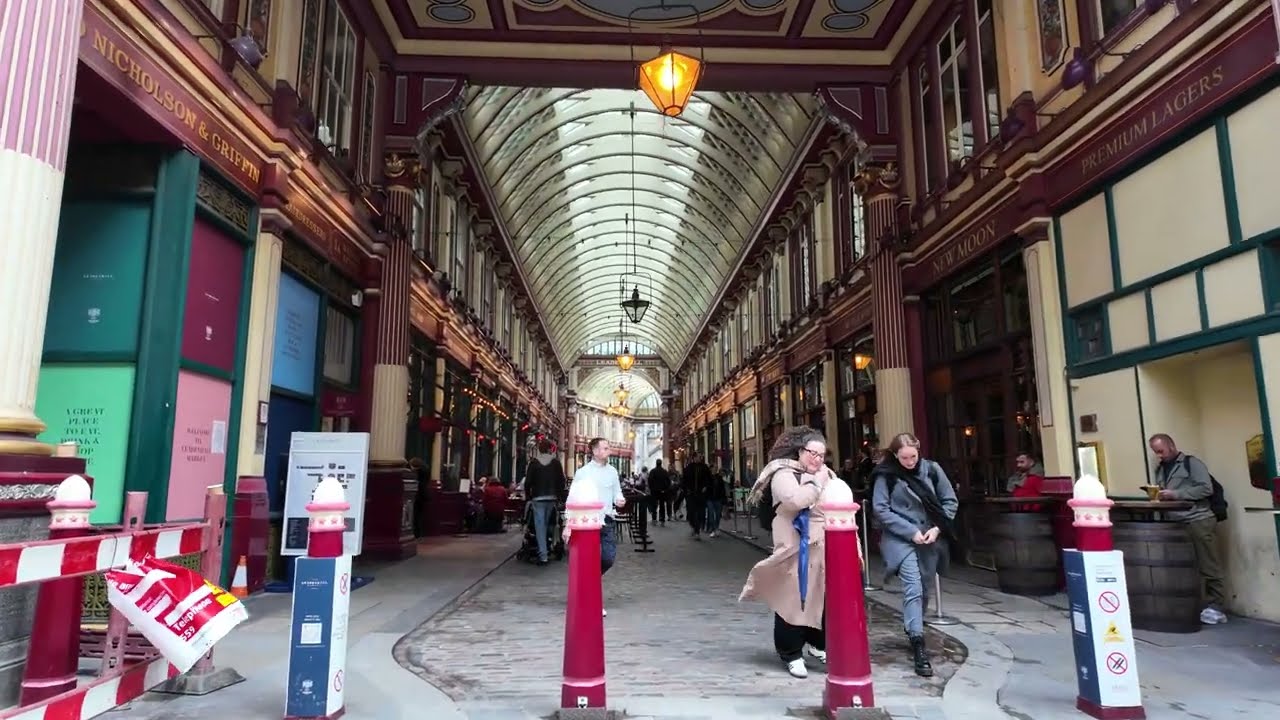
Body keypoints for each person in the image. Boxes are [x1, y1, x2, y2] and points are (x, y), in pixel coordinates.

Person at [740, 426, 850, 679]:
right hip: (794, 546)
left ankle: (818, 643)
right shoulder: (783, 473)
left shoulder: (827, 473)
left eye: (822, 455)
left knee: (820, 598)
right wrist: (816, 483)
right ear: (800, 451)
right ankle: (790, 652)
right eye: (812, 453)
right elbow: (794, 501)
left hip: (823, 546)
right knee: (792, 598)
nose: (817, 459)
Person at [871, 432, 958, 678]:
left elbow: (949, 501)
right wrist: (910, 531)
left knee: (924, 588)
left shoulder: (932, 470)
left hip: (929, 537)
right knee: (913, 586)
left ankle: (914, 625)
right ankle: (918, 643)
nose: (909, 462)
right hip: (900, 538)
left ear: (919, 451)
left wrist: (937, 528)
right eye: (904, 458)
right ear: (895, 455)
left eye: (913, 457)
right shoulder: (886, 475)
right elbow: (880, 508)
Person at [1149, 433, 1226, 625]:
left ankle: (1216, 606)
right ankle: (1194, 603)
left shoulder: (1192, 464)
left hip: (1198, 518)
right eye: (1155, 452)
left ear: (1171, 446)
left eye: (1161, 451)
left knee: (1208, 563)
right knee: (1184, 565)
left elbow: (1206, 488)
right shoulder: (1160, 469)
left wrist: (1175, 494)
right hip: (1176, 521)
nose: (1158, 455)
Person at [564, 437, 626, 616]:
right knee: (588, 560)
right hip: (587, 522)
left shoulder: (612, 471)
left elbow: (617, 492)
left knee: (608, 558)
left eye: (608, 447)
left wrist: (619, 500)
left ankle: (588, 582)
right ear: (595, 451)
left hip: (606, 519)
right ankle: (592, 598)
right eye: (605, 448)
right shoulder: (583, 473)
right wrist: (567, 524)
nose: (609, 450)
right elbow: (572, 499)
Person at [525, 438, 567, 565]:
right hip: (552, 498)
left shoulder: (534, 463)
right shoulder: (555, 463)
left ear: (539, 449)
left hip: (538, 498)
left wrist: (528, 496)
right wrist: (560, 497)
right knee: (550, 523)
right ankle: (550, 545)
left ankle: (543, 555)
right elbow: (561, 481)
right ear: (550, 449)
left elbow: (528, 482)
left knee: (540, 526)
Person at [681, 452, 713, 539]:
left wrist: (706, 487)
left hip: (701, 494)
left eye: (701, 457)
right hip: (691, 494)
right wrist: (686, 490)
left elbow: (709, 479)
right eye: (699, 457)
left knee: (700, 513)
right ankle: (693, 525)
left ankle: (697, 531)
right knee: (691, 512)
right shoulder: (688, 468)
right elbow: (684, 480)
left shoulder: (704, 467)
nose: (700, 458)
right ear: (694, 457)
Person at [648, 459, 674, 525]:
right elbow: (668, 481)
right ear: (661, 463)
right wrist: (666, 489)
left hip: (654, 491)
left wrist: (651, 488)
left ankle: (654, 519)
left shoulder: (653, 471)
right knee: (662, 505)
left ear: (656, 463)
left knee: (654, 505)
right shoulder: (664, 471)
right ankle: (662, 520)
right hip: (662, 491)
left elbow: (650, 481)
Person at [706, 461, 727, 537]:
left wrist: (724, 500)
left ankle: (716, 527)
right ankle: (713, 529)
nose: (716, 469)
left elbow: (722, 489)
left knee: (718, 515)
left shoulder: (719, 477)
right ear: (711, 468)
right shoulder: (708, 477)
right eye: (715, 467)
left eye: (717, 468)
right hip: (710, 499)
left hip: (718, 499)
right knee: (711, 514)